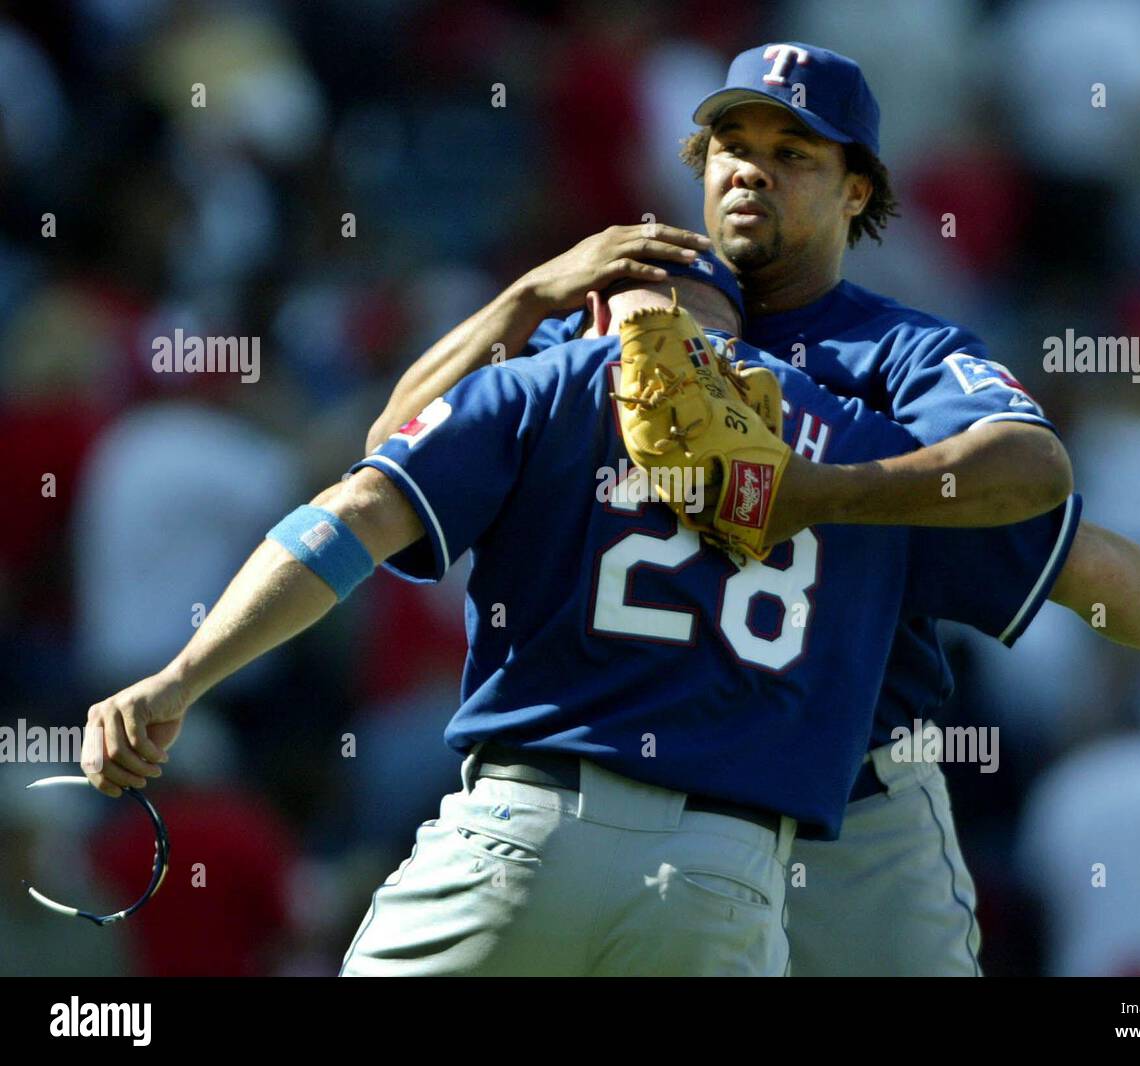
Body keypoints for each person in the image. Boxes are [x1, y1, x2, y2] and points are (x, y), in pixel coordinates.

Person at [364, 42, 1140, 975]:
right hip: (617, 793)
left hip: (854, 808)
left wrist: (814, 495)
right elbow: (390, 453)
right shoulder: (610, 324)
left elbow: (1038, 487)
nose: (753, 169)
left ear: (856, 192)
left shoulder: (897, 359)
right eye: (731, 144)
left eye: (795, 153)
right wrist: (526, 292)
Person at [80, 264, 1083, 976]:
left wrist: (178, 680)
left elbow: (348, 511)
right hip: (724, 876)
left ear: (594, 301)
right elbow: (1072, 541)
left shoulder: (545, 378)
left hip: (526, 834)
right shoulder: (862, 443)